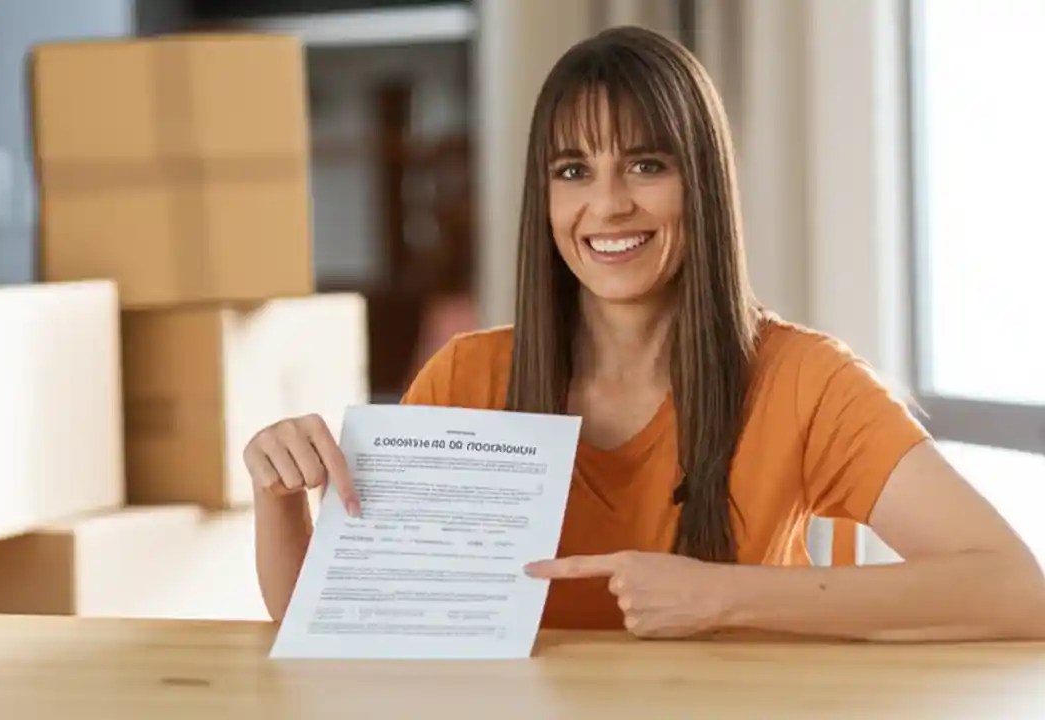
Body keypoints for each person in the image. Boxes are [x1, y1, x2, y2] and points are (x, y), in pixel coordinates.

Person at [244, 27, 1045, 641]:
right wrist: (280, 503)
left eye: (646, 165)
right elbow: (338, 627)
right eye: (573, 171)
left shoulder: (807, 381)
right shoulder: (468, 378)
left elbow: (1017, 589)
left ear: (703, 180)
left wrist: (721, 594)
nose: (608, 205)